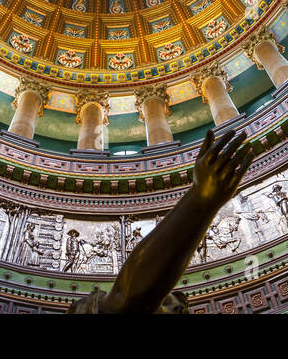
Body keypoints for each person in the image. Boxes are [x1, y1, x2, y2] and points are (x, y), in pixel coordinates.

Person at [68, 128, 255, 313]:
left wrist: (202, 199)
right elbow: (123, 301)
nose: (160, 297)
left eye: (165, 300)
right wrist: (201, 200)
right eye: (163, 298)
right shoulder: (93, 307)